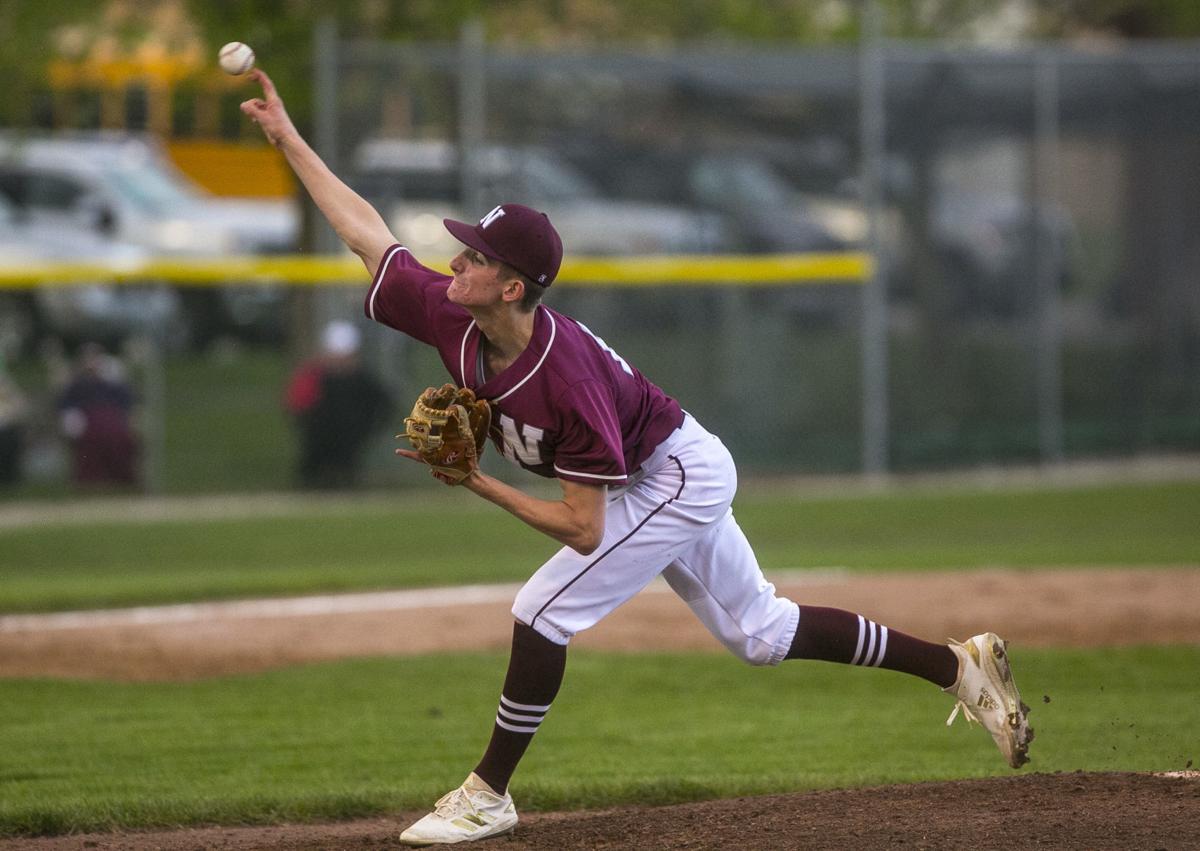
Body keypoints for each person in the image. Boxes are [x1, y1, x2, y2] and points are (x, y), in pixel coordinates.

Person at [241, 70, 1033, 846]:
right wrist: (289, 139)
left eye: (476, 257)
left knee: (542, 611)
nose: (457, 262)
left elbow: (584, 530)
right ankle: (956, 665)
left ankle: (487, 794)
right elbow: (366, 236)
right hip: (674, 461)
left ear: (513, 288)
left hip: (675, 472)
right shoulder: (455, 316)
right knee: (760, 633)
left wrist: (477, 480)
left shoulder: (566, 379)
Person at [285, 319, 392, 489]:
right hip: (319, 442)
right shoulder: (314, 378)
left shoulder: (364, 383)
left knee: (345, 473)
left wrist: (367, 428)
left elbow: (383, 406)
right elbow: (298, 406)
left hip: (348, 444)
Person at [56, 342, 139, 488]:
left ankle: (120, 478)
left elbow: (126, 402)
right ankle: (91, 480)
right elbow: (66, 405)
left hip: (112, 420)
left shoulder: (113, 382)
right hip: (87, 421)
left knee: (118, 438)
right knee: (92, 439)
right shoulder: (76, 384)